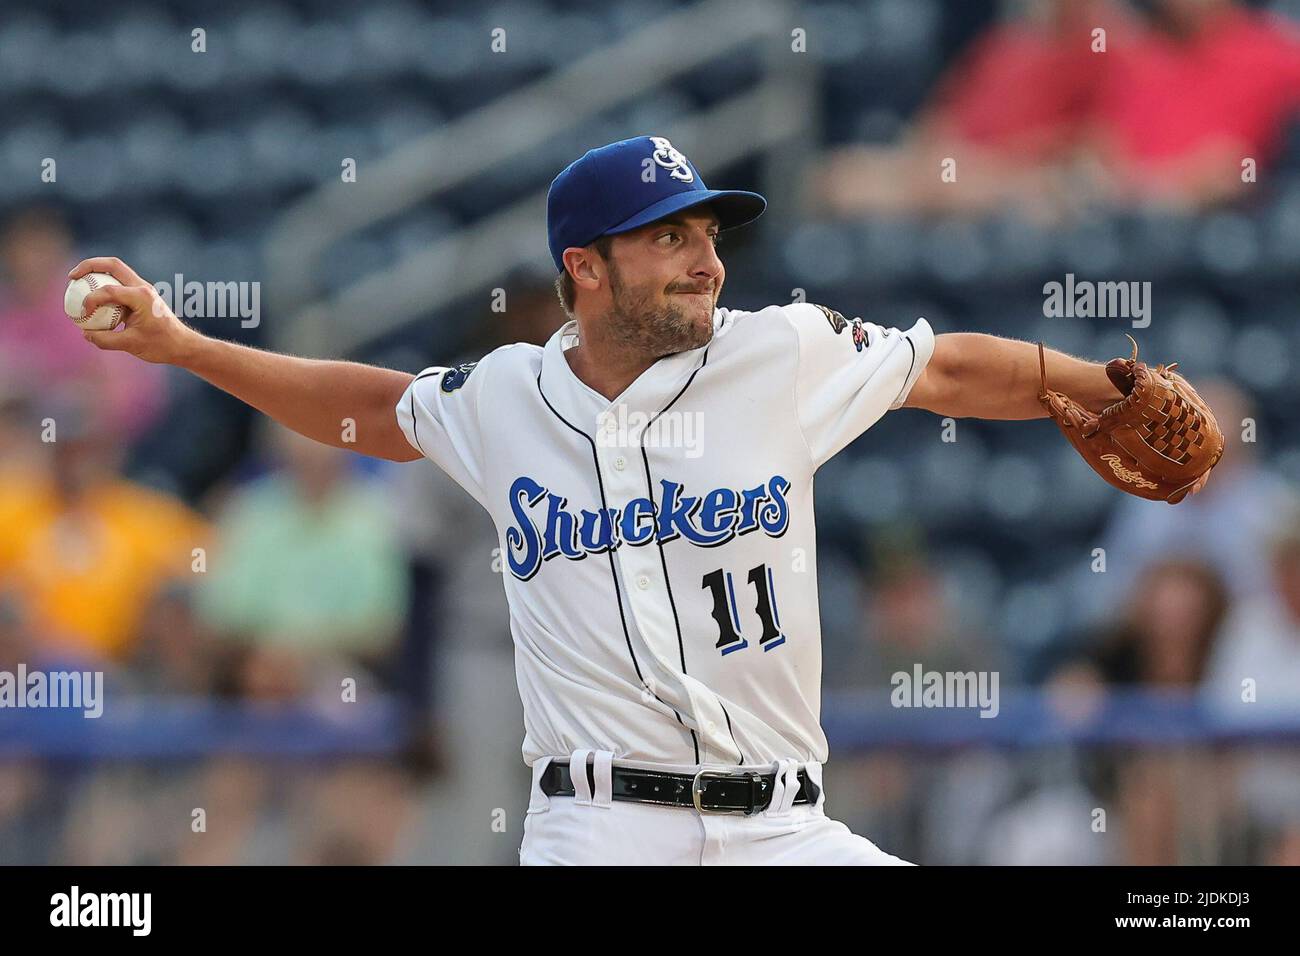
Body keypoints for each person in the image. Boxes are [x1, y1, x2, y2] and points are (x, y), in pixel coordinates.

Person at [69, 135, 1214, 865]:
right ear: (586, 265)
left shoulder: (782, 353)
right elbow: (368, 409)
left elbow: (946, 367)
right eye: (669, 237)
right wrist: (186, 346)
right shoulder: (505, 395)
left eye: (709, 233)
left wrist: (1091, 382)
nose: (705, 259)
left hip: (783, 826)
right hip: (601, 826)